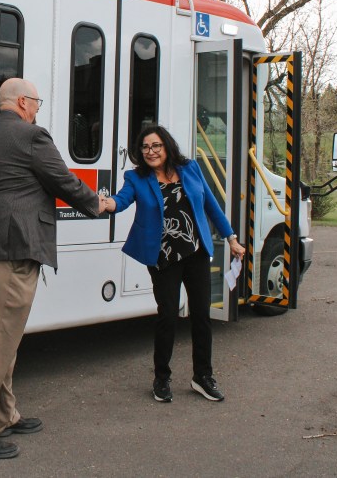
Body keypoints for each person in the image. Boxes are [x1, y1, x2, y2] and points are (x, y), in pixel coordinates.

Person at [0, 77, 103, 459]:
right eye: (36, 102)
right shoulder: (31, 136)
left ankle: (2, 416)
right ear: (21, 102)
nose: (37, 110)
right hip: (6, 251)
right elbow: (63, 181)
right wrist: (99, 204)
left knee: (4, 339)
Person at [101, 125, 244, 403]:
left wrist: (232, 238)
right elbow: (121, 201)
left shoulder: (190, 169)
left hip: (196, 252)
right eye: (145, 147)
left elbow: (211, 206)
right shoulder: (136, 178)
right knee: (167, 316)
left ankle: (202, 377)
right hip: (163, 257)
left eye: (156, 146)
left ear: (167, 147)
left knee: (201, 315)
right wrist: (107, 204)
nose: (150, 152)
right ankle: (161, 378)